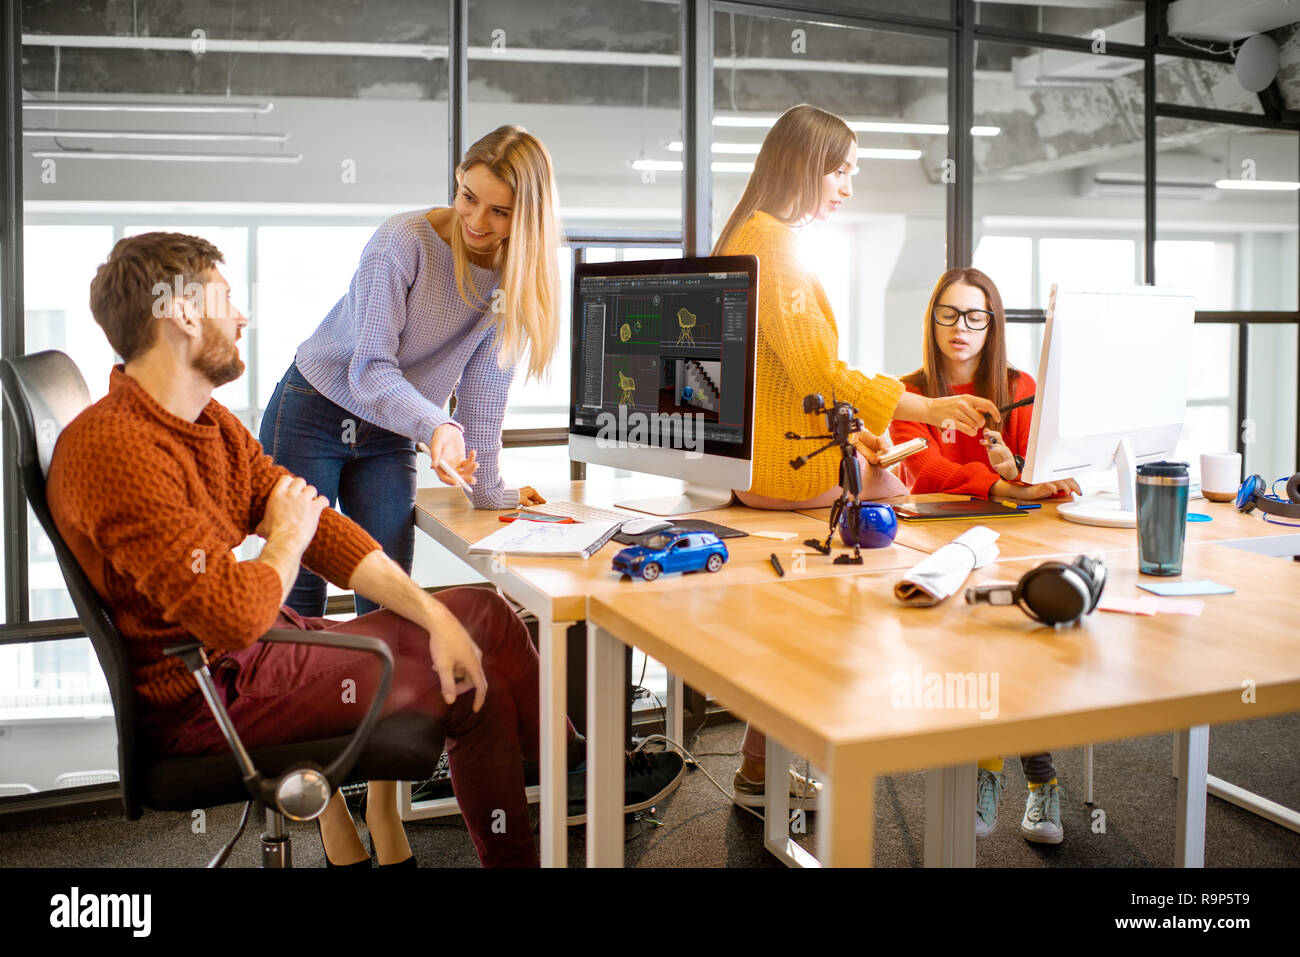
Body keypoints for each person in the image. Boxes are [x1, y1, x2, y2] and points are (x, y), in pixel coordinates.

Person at [47, 232, 680, 869]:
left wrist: (430, 616)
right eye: (226, 299)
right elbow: (230, 613)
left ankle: (563, 780)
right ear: (183, 314)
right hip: (215, 697)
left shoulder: (205, 422)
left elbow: (316, 525)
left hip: (258, 652)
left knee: (471, 643)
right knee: (479, 638)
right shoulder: (118, 450)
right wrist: (288, 537)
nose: (241, 317)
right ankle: (578, 767)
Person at [711, 104, 1002, 810]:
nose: (847, 184)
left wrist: (864, 433)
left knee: (803, 615)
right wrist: (926, 410)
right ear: (806, 166)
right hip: (788, 473)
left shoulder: (751, 234)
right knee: (899, 525)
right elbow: (819, 373)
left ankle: (759, 767)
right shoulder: (773, 244)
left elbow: (791, 380)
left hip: (772, 463)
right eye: (841, 169)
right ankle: (917, 732)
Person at [260, 125, 558, 619]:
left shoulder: (514, 279)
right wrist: (437, 425)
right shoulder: (401, 242)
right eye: (469, 196)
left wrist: (489, 493)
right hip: (312, 410)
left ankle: (372, 697)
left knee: (388, 595)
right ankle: (297, 696)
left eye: (500, 211)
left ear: (528, 216)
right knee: (299, 589)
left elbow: (482, 401)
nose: (477, 221)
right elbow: (370, 370)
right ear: (458, 179)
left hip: (391, 430)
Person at [890, 266, 1080, 844]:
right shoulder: (910, 392)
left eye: (976, 316)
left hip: (1021, 544)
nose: (961, 328)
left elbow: (1048, 474)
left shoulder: (1020, 388)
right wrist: (997, 485)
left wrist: (1024, 474)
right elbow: (923, 473)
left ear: (992, 323)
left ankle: (1036, 780)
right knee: (970, 647)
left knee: (1024, 644)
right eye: (948, 314)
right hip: (942, 545)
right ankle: (990, 767)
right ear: (933, 320)